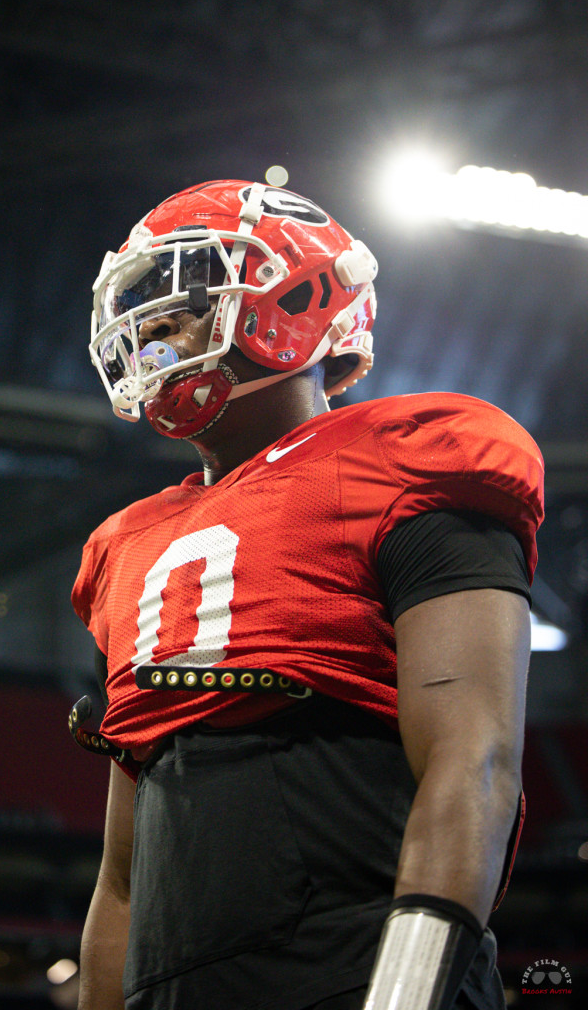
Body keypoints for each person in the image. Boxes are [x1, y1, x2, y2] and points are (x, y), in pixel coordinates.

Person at [69, 179, 544, 1010]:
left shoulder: (404, 458)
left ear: (292, 298)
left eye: (183, 300)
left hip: (354, 968)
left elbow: (476, 759)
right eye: (144, 311)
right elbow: (122, 877)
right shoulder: (127, 544)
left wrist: (406, 989)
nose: (151, 331)